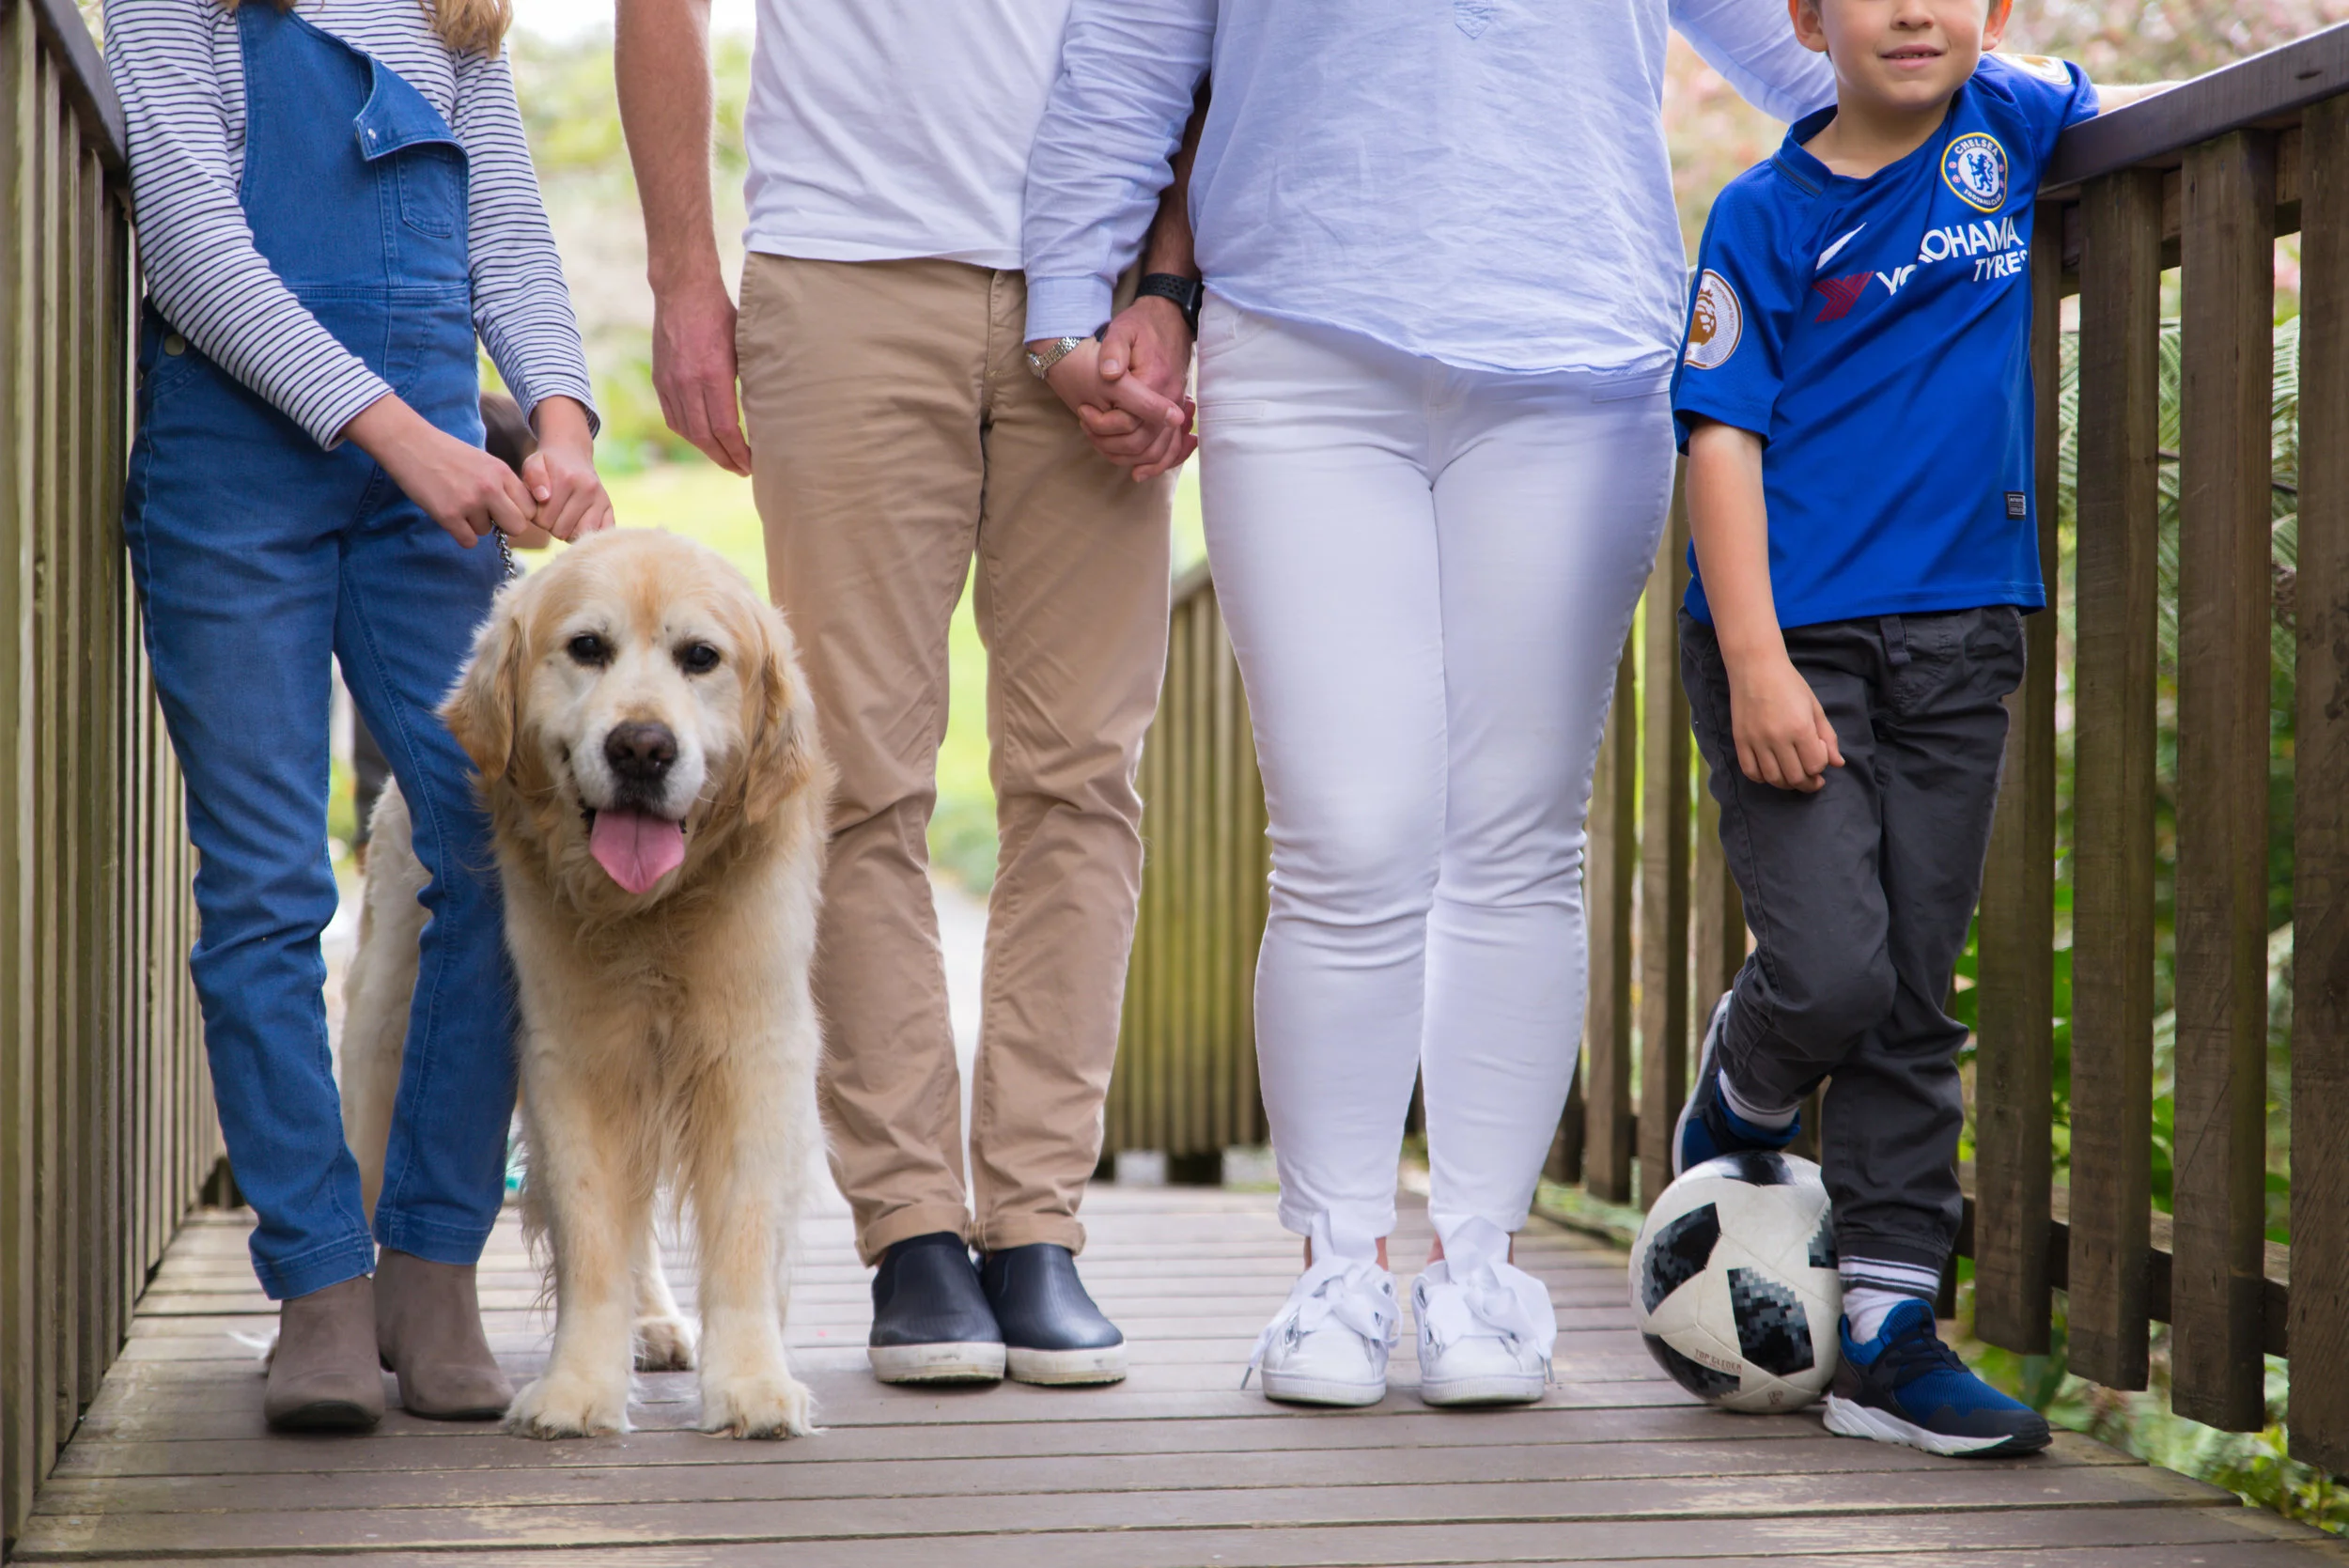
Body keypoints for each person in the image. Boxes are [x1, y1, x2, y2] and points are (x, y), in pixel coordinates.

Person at [1023, 0, 1832, 1407]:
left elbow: (1812, 43)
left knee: (1517, 834)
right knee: (1345, 831)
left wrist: (2000, 122)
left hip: (1578, 356)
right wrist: (1065, 310)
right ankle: (1335, 1265)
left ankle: (1480, 1271)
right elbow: (1133, 52)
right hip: (1299, 338)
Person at [614, 0, 1203, 1388]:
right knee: (856, 774)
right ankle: (915, 1231)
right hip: (844, 267)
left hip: (1099, 279)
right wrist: (687, 276)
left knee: (1082, 779)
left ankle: (1037, 1225)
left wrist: (1172, 284)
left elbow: (1195, 30)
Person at [1668, 0, 2164, 1456]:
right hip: (1792, 643)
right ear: (1806, 18)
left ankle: (1889, 1327)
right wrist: (1754, 660)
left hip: (1962, 637)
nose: (1911, 10)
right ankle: (1746, 1079)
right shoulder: (1763, 215)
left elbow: (2123, 99)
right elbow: (1717, 436)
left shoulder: (2009, 124)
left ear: (1997, 13)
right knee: (1831, 972)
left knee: (1912, 990)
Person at [108, 0, 611, 1430]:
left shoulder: (452, 9)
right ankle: (317, 1285)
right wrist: (400, 433)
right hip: (238, 473)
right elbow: (197, 255)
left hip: (435, 487)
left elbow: (503, 228)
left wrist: (559, 415)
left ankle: (431, 1269)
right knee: (268, 886)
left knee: (493, 850)